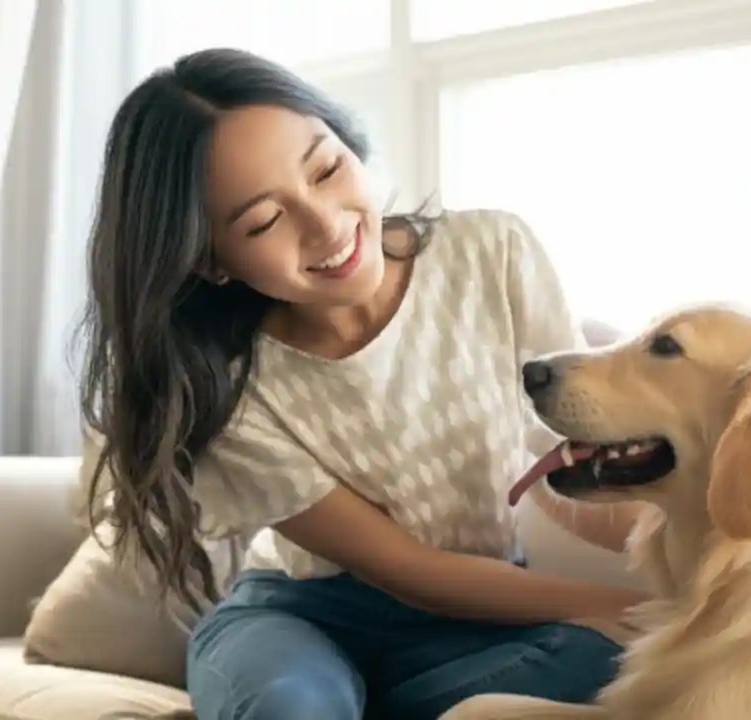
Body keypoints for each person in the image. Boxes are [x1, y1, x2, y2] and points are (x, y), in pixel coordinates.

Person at [78, 47, 650, 720]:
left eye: (326, 169)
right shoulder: (224, 385)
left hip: (482, 622)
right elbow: (410, 572)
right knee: (293, 706)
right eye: (264, 221)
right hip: (302, 620)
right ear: (209, 261)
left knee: (613, 665)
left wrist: (706, 573)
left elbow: (563, 462)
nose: (325, 225)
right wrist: (618, 605)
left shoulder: (493, 253)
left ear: (350, 146)